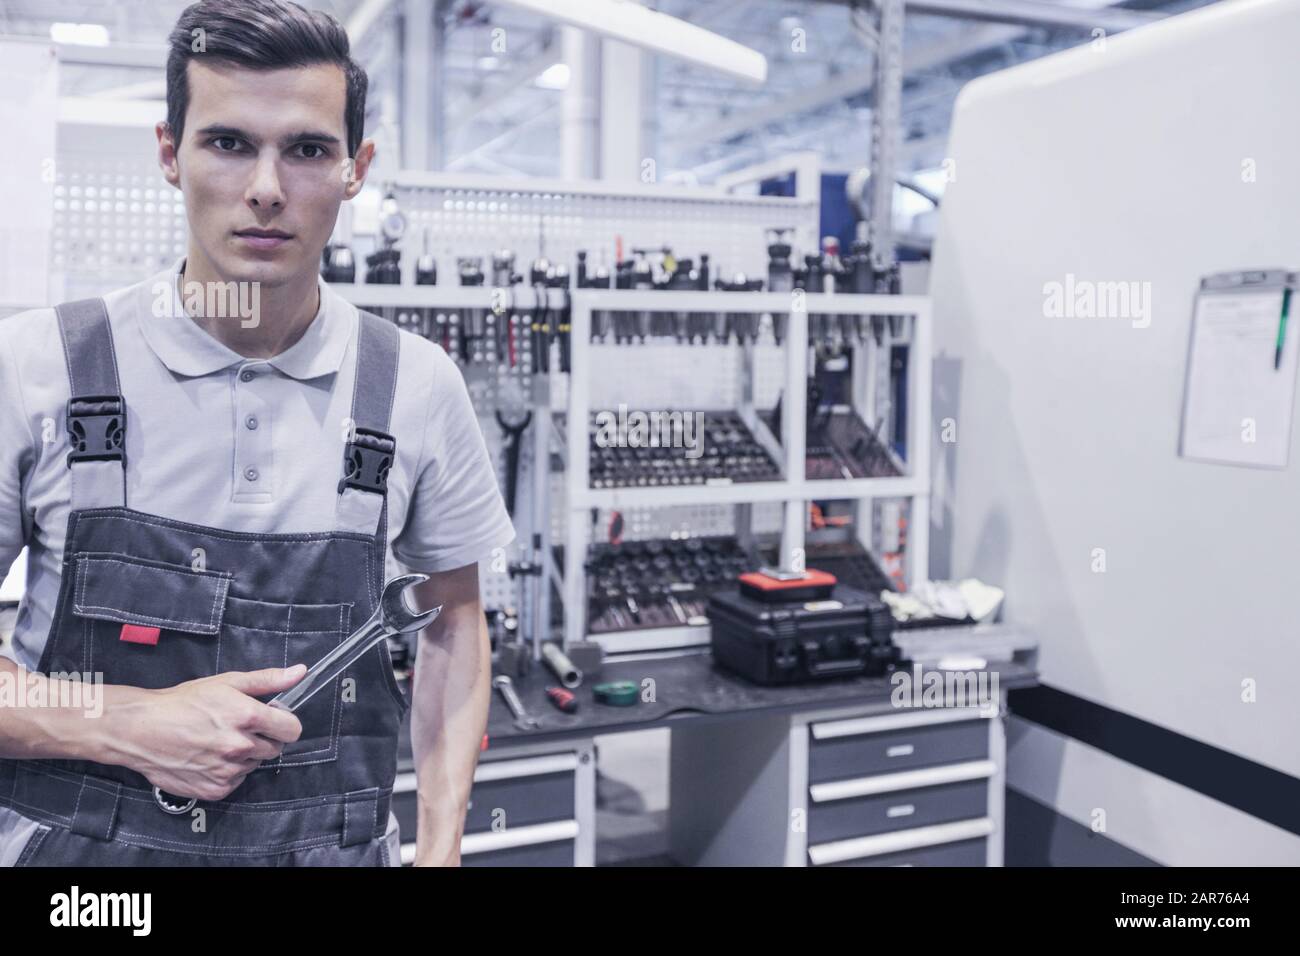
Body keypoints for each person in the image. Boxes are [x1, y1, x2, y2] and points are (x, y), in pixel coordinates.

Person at [0, 0, 513, 866]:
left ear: (356, 168)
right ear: (170, 153)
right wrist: (126, 722)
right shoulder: (40, 365)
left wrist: (441, 846)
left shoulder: (417, 387)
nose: (268, 188)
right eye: (229, 143)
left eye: (307, 149)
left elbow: (452, 622)